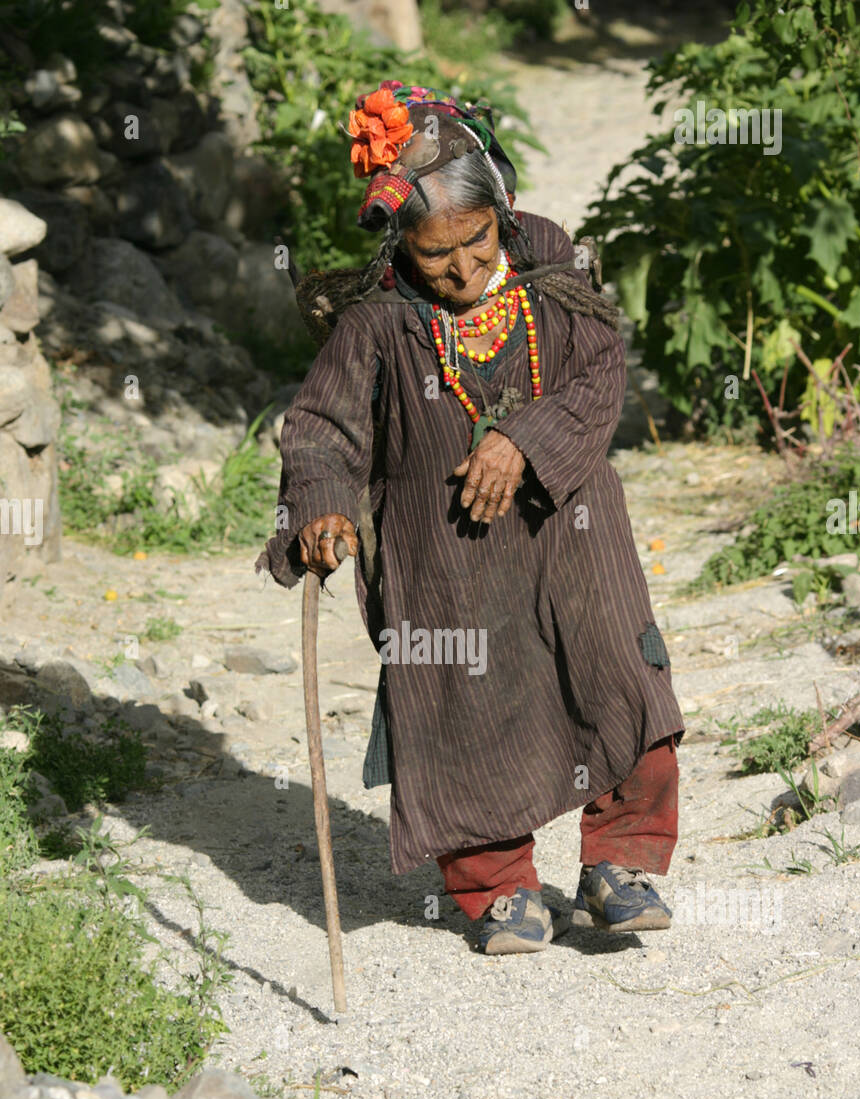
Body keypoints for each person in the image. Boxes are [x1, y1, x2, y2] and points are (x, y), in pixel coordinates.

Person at [256, 81, 684, 955]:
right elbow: (322, 430)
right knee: (467, 705)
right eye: (433, 255)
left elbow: (600, 375)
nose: (461, 269)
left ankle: (621, 865)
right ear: (400, 246)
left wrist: (524, 441)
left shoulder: (550, 260)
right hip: (441, 549)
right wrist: (323, 512)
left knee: (618, 670)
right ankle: (496, 888)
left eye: (476, 240)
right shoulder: (378, 317)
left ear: (502, 208)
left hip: (574, 522)